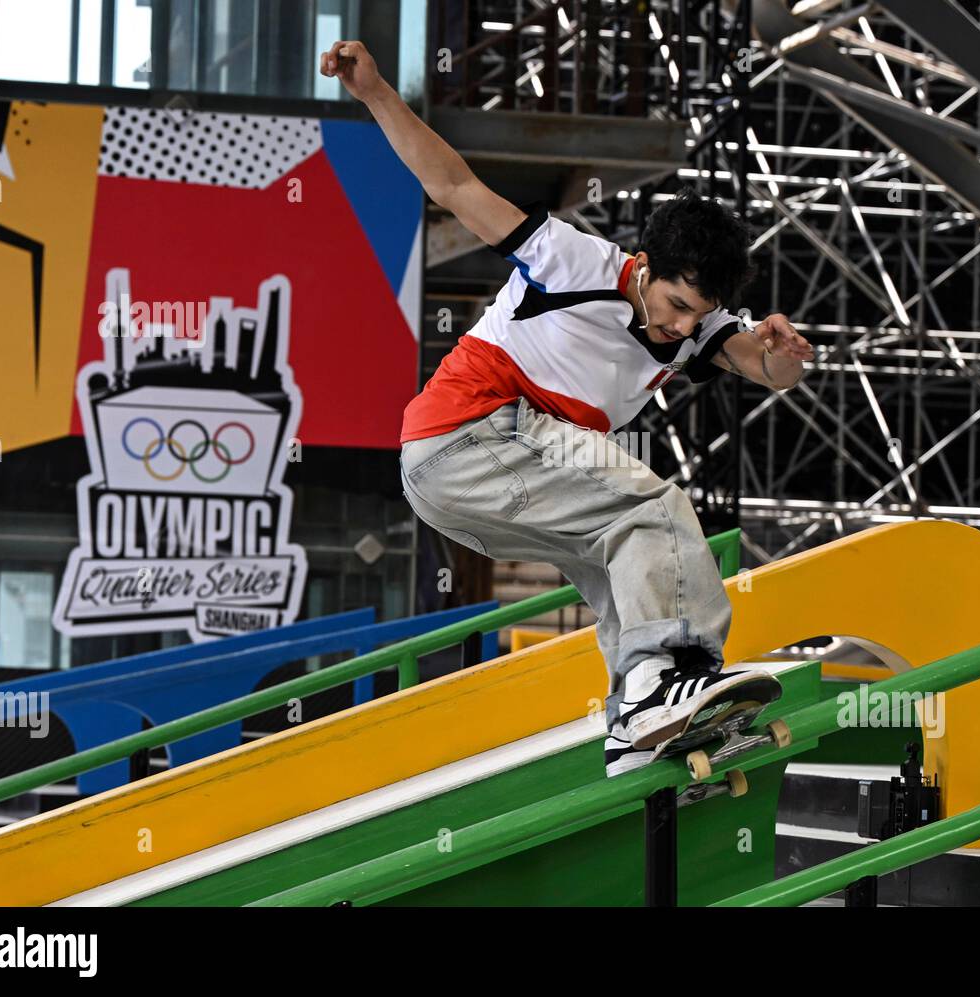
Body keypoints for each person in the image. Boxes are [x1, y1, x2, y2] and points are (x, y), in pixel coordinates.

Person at [321, 40, 813, 776]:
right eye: (674, 304)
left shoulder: (698, 328)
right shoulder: (568, 258)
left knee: (618, 558)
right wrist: (376, 93)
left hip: (487, 479)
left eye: (697, 315)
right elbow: (452, 185)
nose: (679, 328)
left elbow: (763, 369)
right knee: (651, 507)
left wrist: (783, 355)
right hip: (466, 433)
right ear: (645, 268)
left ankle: (632, 731)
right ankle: (663, 683)